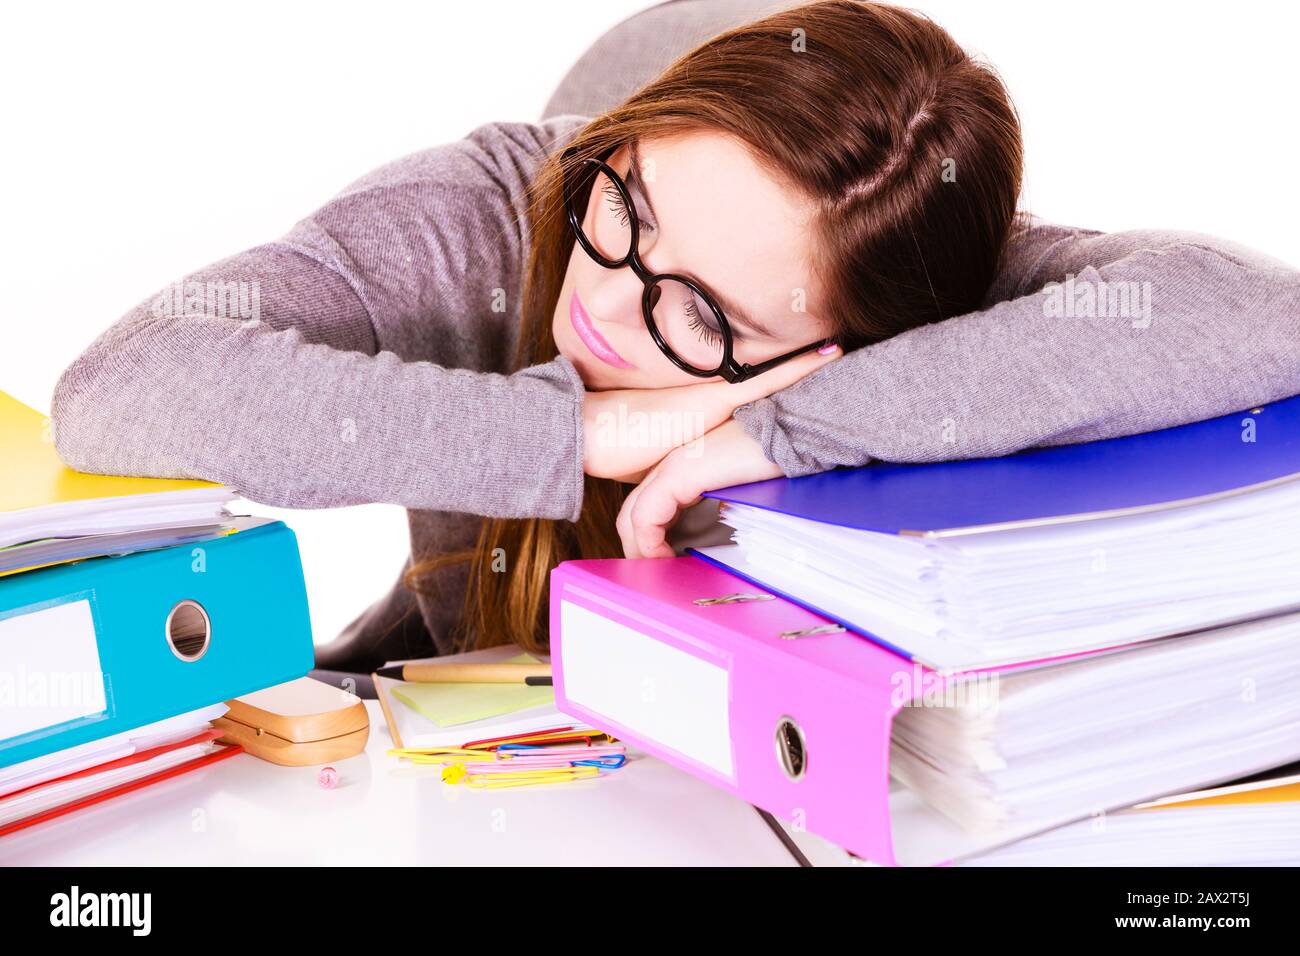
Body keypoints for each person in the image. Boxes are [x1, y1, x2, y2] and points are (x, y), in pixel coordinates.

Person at [50, 1, 1300, 672]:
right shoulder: (499, 207)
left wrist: (789, 426)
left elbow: (1259, 310)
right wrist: (580, 427)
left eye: (704, 313)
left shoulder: (936, 288)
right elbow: (122, 385)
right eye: (627, 203)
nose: (606, 291)